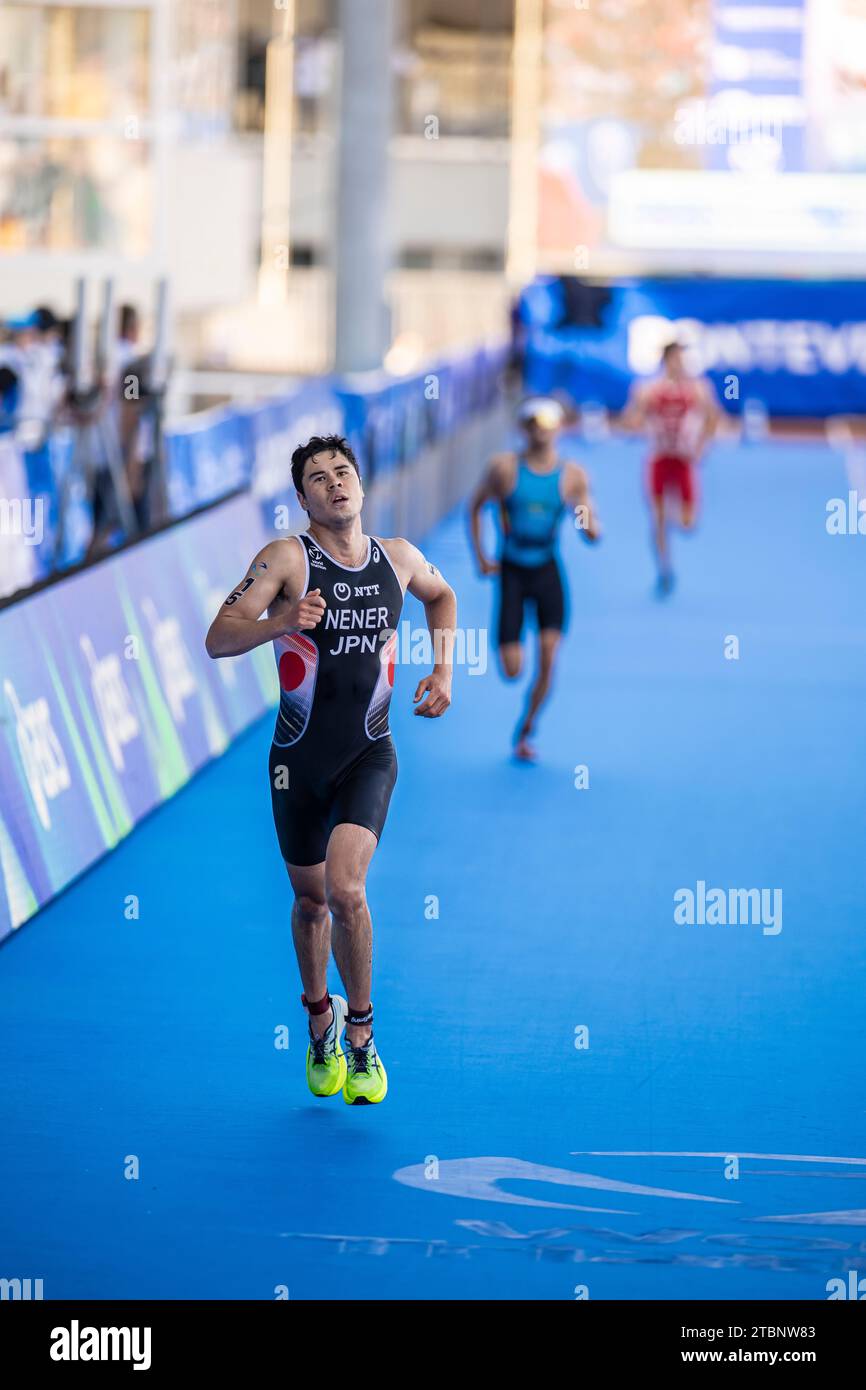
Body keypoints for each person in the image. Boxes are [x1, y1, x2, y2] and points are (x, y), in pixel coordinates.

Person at [206, 435, 456, 1105]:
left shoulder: (397, 558)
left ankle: (363, 1037)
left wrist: (443, 670)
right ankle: (320, 1016)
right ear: (303, 498)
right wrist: (282, 620)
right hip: (296, 762)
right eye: (318, 478)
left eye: (342, 472)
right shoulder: (287, 559)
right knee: (311, 901)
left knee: (348, 891)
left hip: (370, 751)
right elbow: (219, 636)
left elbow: (443, 597)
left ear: (361, 485)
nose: (334, 484)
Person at [469, 397, 601, 762]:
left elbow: (589, 519)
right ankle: (523, 712)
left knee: (548, 657)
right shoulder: (504, 469)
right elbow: (476, 506)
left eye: (547, 423)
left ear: (558, 428)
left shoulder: (573, 475)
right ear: (523, 429)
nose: (540, 430)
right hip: (512, 572)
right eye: (533, 423)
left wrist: (589, 526)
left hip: (547, 572)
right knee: (513, 670)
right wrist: (481, 557)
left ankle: (527, 727)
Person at [621, 341, 721, 595]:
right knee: (658, 520)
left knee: (688, 524)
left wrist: (702, 446)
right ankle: (664, 569)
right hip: (659, 459)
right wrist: (636, 421)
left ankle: (671, 516)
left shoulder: (699, 389)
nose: (681, 364)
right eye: (677, 358)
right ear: (666, 360)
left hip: (684, 461)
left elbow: (714, 416)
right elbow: (629, 420)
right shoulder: (647, 389)